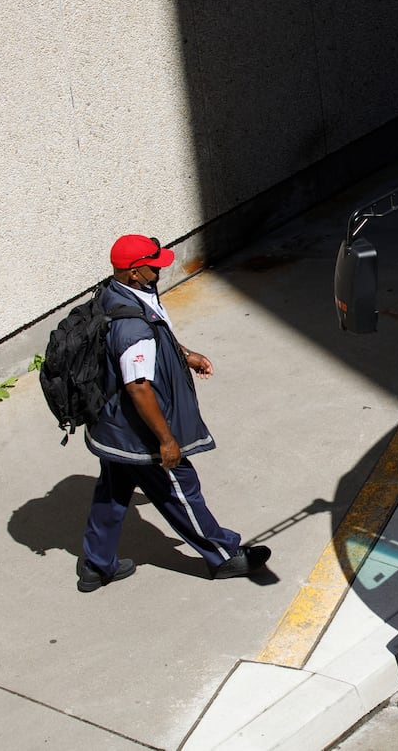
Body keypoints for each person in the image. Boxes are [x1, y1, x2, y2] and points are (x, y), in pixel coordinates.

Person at [75, 233, 270, 592]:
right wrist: (166, 440)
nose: (162, 267)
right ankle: (223, 556)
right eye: (155, 265)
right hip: (137, 435)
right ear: (135, 272)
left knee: (114, 491)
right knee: (180, 488)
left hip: (111, 428)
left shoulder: (119, 294)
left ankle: (95, 564)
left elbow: (158, 334)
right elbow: (137, 386)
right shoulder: (132, 328)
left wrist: (186, 354)